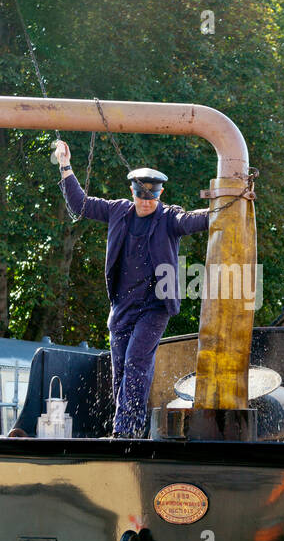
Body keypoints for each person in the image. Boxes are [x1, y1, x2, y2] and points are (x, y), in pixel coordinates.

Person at [54, 139, 210, 438]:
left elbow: (194, 221)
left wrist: (227, 204)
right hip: (122, 308)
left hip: (155, 307)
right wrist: (65, 165)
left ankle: (128, 431)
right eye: (142, 196)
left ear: (160, 194)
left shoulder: (169, 217)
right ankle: (124, 429)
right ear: (133, 193)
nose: (147, 202)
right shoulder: (117, 211)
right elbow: (80, 204)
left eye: (153, 197)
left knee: (136, 361)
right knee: (121, 372)